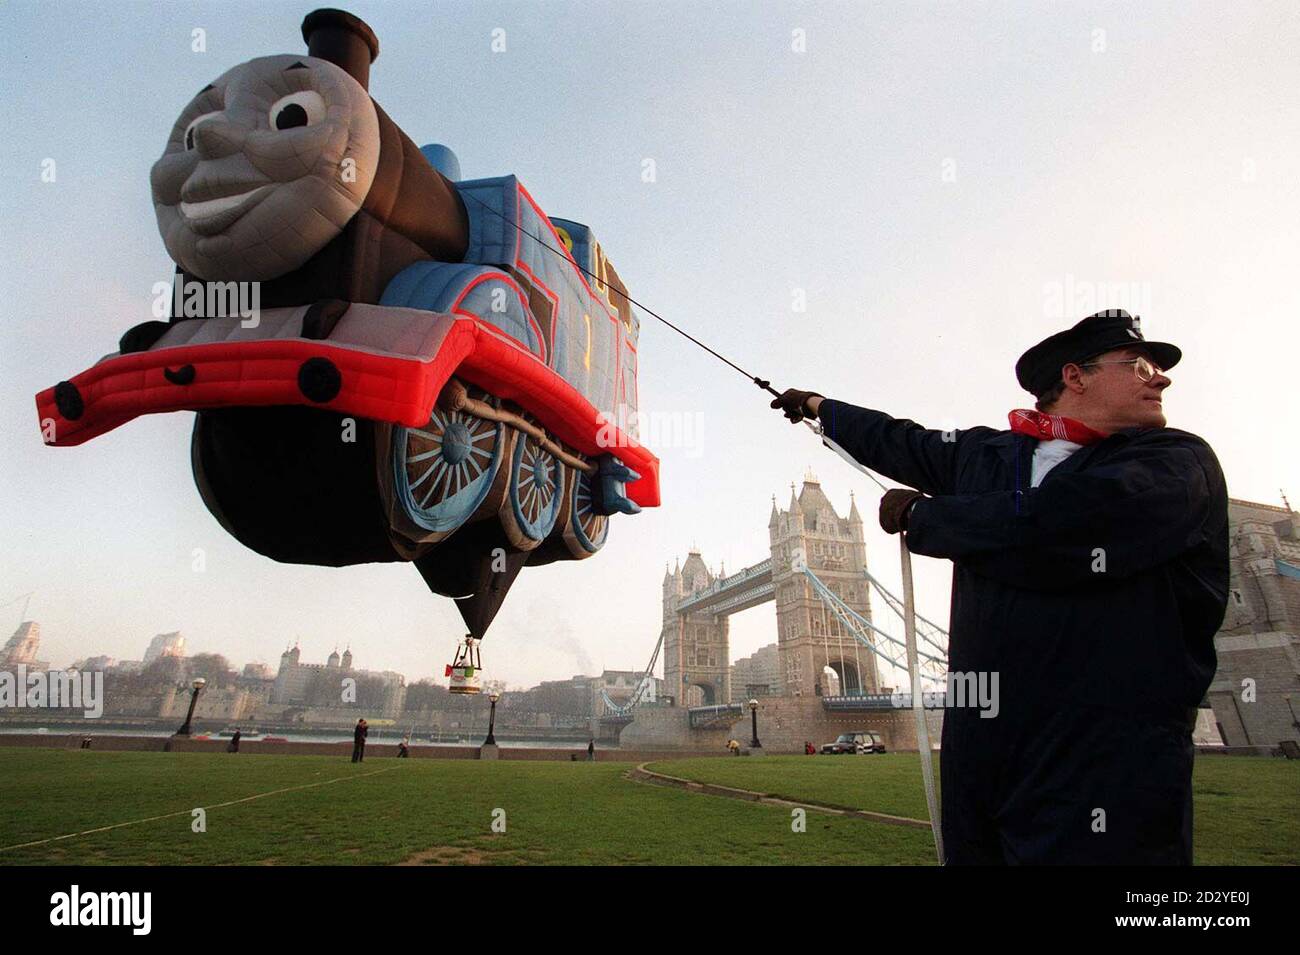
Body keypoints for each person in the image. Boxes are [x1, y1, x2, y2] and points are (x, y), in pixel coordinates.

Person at [771, 309, 1228, 865]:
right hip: (982, 749)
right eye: (1138, 365)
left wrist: (929, 519)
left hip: (1107, 756)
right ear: (1075, 378)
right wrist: (819, 408)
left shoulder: (1176, 460)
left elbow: (1070, 525)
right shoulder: (986, 456)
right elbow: (901, 441)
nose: (1160, 377)